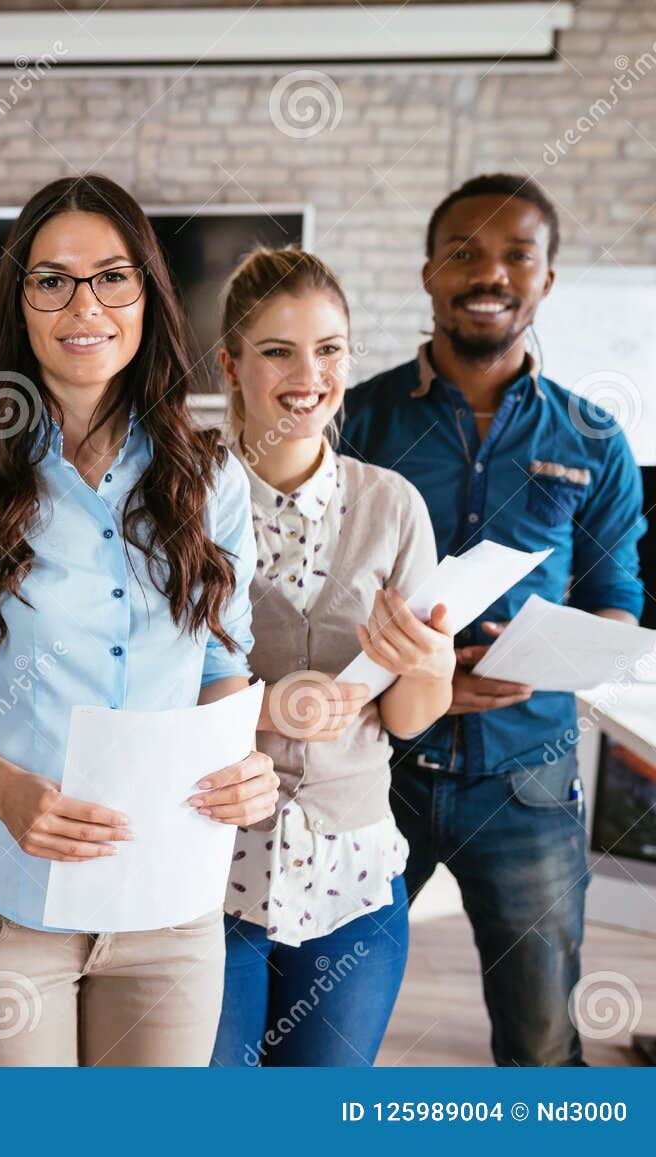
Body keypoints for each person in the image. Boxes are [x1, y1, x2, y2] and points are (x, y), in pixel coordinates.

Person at [0, 174, 280, 1067]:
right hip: (6, 897)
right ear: (18, 303)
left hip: (170, 896)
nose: (84, 304)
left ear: (147, 295)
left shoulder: (210, 478)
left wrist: (242, 754)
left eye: (112, 276)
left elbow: (224, 660)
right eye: (51, 279)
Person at [342, 174, 646, 1066]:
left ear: (546, 279)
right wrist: (425, 675)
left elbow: (615, 594)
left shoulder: (592, 440)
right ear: (430, 271)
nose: (491, 273)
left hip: (529, 783)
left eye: (518, 253)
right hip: (371, 770)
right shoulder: (358, 419)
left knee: (543, 1038)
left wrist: (545, 659)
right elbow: (309, 585)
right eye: (466, 251)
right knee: (327, 1025)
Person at [208, 248, 456, 1067]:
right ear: (231, 365)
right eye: (277, 349)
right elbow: (144, 688)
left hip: (353, 876)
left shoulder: (393, 506)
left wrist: (430, 666)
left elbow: (407, 722)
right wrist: (270, 704)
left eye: (330, 348)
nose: (308, 374)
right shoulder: (183, 496)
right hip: (209, 869)